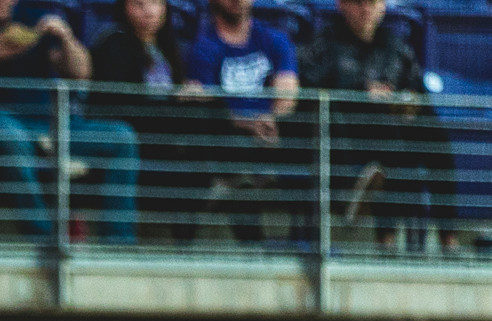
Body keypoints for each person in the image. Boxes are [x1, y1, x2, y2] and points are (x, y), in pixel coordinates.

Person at [0, 0, 139, 242]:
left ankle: (119, 240)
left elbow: (81, 74)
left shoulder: (34, 19)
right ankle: (43, 235)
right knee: (8, 132)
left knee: (121, 136)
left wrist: (66, 38)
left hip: (48, 123)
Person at [299, 0, 456, 252]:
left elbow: (417, 90)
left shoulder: (395, 46)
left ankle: (449, 238)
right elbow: (308, 90)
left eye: (372, 3)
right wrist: (362, 93)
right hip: (346, 132)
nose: (365, 10)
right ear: (342, 5)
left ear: (382, 6)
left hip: (395, 129)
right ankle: (384, 239)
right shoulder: (324, 43)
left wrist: (408, 102)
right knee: (391, 144)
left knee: (435, 136)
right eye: (358, 3)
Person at [182, 0, 302, 244]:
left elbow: (288, 92)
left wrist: (271, 119)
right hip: (229, 138)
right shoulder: (204, 48)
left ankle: (305, 241)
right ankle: (252, 245)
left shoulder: (273, 39)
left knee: (305, 138)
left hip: (273, 132)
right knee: (234, 157)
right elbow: (210, 108)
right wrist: (250, 124)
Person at [88, 0, 200, 234]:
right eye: (139, 4)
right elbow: (117, 104)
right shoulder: (114, 43)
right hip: (134, 136)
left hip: (167, 138)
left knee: (206, 111)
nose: (148, 11)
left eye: (155, 3)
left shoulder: (168, 47)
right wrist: (173, 103)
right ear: (124, 8)